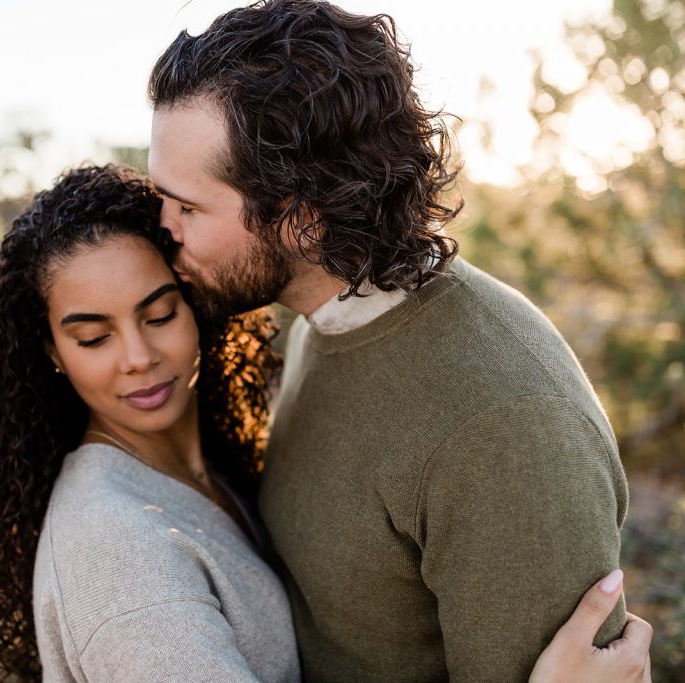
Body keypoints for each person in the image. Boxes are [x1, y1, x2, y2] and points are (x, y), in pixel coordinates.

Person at [0, 164, 650, 683]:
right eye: (92, 336)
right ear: (51, 353)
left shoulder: (199, 466)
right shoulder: (116, 552)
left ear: (196, 302)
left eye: (159, 313)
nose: (138, 358)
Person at [145, 1, 652, 681]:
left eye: (188, 206)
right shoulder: (318, 320)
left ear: (301, 221)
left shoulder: (506, 426)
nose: (162, 226)